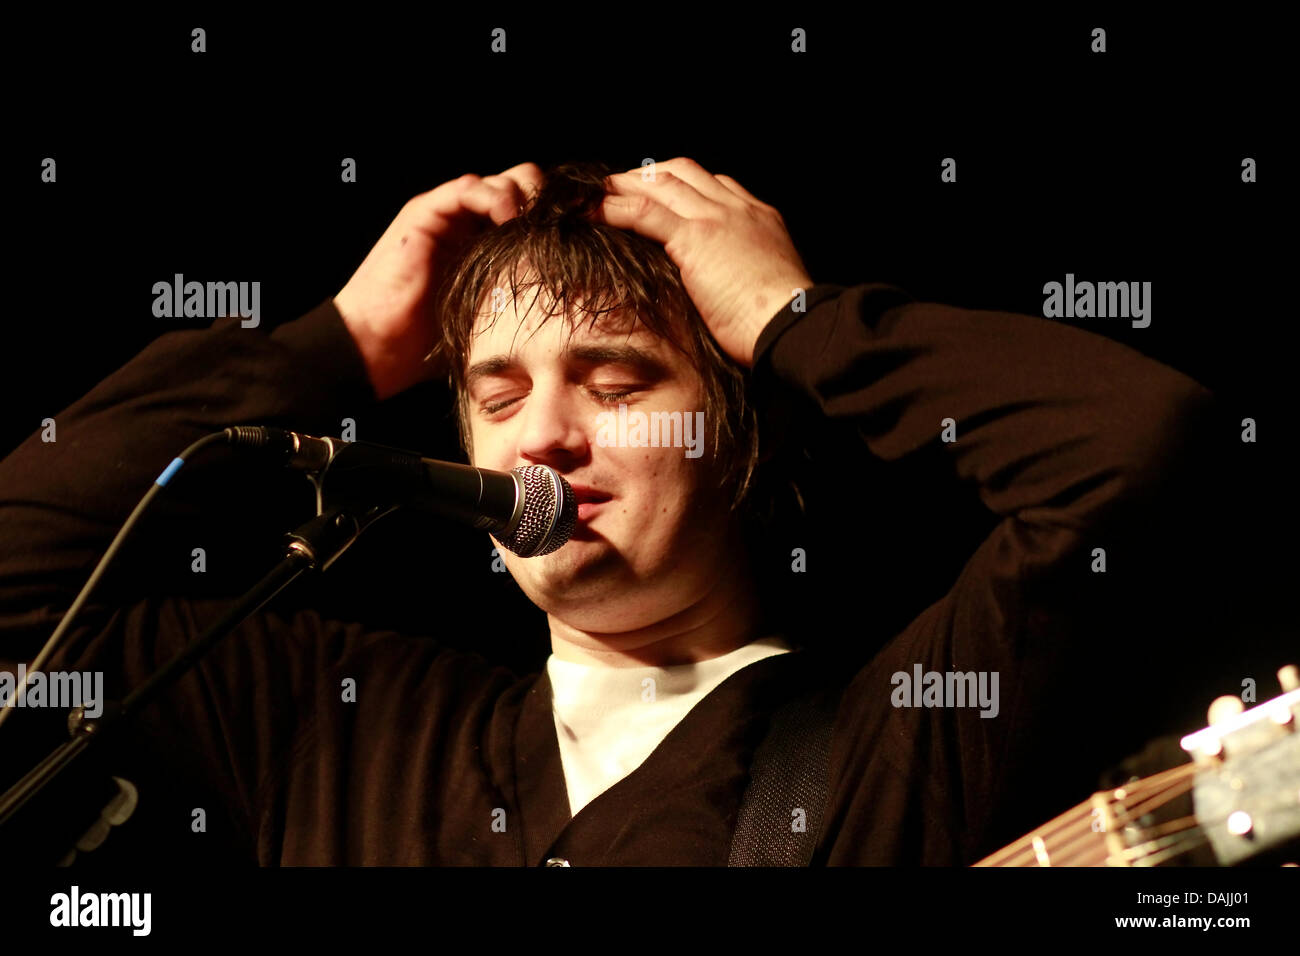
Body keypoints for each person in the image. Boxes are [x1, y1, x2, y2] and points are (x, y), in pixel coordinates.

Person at [0, 158, 1218, 865]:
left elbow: (1132, 447)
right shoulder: (336, 721)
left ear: (740, 433)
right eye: (499, 392)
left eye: (617, 380)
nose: (544, 432)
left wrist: (797, 321)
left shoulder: (899, 735)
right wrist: (341, 343)